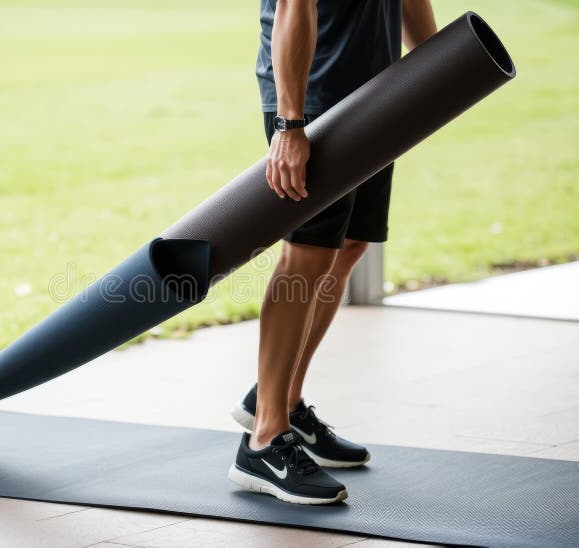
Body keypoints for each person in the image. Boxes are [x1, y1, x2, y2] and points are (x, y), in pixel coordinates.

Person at [228, 0, 437, 504]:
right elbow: (293, 7)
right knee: (308, 252)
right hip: (314, 98)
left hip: (377, 92)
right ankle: (262, 441)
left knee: (350, 244)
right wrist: (289, 124)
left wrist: (438, 74)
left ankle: (279, 399)